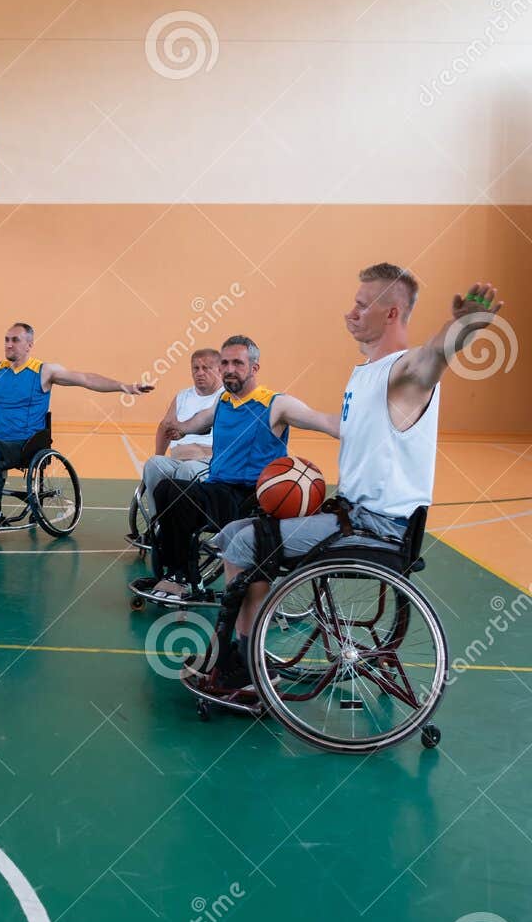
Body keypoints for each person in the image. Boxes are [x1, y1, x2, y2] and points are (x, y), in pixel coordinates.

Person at [196, 267, 502, 695]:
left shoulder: (402, 371)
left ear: (391, 313)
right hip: (354, 514)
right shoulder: (368, 373)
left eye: (362, 304)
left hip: (378, 527)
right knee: (234, 532)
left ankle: (247, 663)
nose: (351, 312)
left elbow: (432, 359)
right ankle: (248, 655)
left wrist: (461, 328)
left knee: (245, 544)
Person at [152, 336, 341, 599]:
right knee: (164, 488)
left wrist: (361, 428)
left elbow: (323, 421)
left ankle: (180, 577)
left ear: (254, 368)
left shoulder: (276, 404)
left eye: (237, 363)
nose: (229, 369)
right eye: (225, 363)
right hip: (219, 489)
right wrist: (178, 428)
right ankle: (173, 570)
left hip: (250, 497)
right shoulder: (224, 402)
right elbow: (198, 422)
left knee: (182, 496)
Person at [0, 322, 153, 524]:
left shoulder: (44, 371)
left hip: (25, 443)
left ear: (29, 345)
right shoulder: (0, 370)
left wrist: (123, 386)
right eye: (6, 340)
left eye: (15, 340)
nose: (8, 345)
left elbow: (85, 379)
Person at [135, 348, 222, 531]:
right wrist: (159, 455)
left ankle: (179, 531)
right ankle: (157, 524)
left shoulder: (225, 397)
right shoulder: (183, 396)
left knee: (186, 469)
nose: (200, 373)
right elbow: (165, 426)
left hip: (208, 462)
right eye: (195, 368)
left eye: (206, 368)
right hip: (179, 459)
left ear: (220, 369)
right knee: (154, 464)